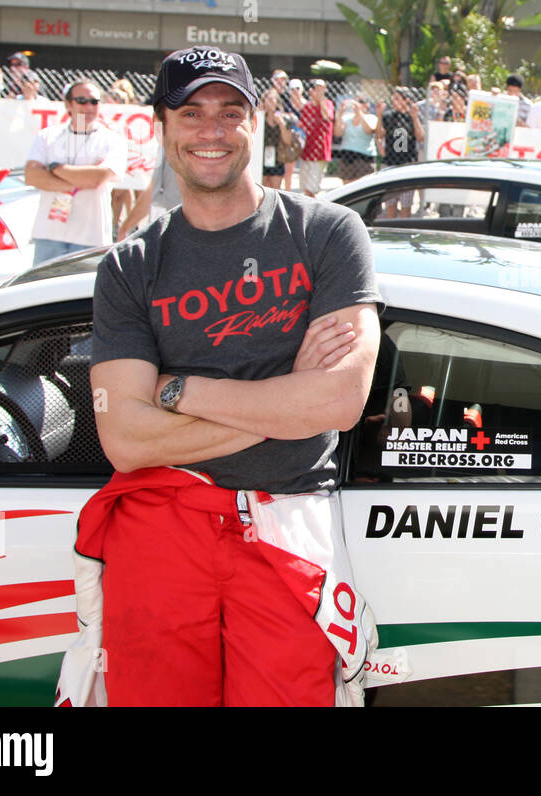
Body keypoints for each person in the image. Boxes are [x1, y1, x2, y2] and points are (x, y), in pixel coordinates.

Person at [85, 45, 381, 706]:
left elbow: (337, 400)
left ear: (258, 122)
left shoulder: (328, 233)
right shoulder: (130, 266)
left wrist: (176, 391)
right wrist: (283, 406)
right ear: (162, 127)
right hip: (161, 522)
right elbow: (127, 443)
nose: (211, 130)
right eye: (191, 112)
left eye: (231, 111)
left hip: (288, 520)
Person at [23, 80, 127, 265]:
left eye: (94, 101)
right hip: (49, 235)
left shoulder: (112, 140)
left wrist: (55, 169)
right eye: (81, 100)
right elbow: (32, 176)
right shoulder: (48, 136)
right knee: (43, 292)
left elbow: (97, 179)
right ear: (68, 104)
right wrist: (80, 180)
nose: (88, 106)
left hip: (91, 239)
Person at [298, 79, 335, 197]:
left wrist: (321, 101)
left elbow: (327, 116)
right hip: (306, 151)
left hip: (320, 152)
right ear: (311, 91)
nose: (319, 92)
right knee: (304, 187)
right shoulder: (307, 107)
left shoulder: (328, 104)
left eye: (322, 89)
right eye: (317, 89)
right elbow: (302, 126)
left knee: (312, 189)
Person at [334, 95, 378, 184]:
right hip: (347, 156)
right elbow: (338, 133)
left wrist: (359, 113)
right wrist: (339, 114)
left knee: (363, 185)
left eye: (361, 102)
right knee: (347, 186)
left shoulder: (371, 118)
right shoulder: (346, 118)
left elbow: (369, 130)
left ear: (367, 105)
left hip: (364, 156)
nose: (357, 105)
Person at [260, 88, 294, 189]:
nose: (270, 102)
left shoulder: (283, 118)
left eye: (273, 99)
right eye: (268, 99)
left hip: (277, 158)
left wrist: (281, 123)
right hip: (261, 157)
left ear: (277, 102)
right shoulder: (259, 117)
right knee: (261, 187)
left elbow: (287, 140)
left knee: (274, 189)